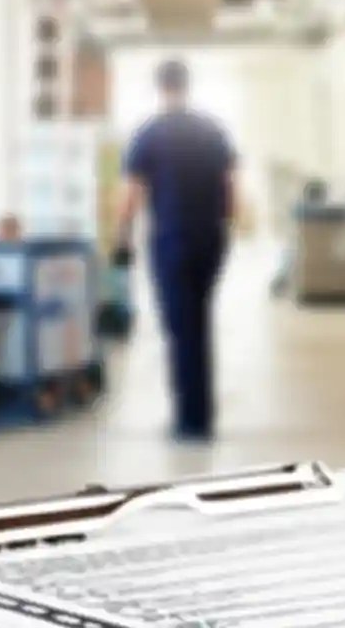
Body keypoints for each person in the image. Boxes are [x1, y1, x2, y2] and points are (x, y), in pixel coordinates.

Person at [116, 59, 237, 441]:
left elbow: (132, 193)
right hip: (210, 238)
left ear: (160, 87)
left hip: (171, 238)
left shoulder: (149, 133)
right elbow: (230, 186)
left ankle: (190, 421)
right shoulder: (212, 130)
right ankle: (202, 414)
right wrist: (225, 227)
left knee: (180, 327)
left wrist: (122, 236)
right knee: (199, 322)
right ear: (187, 85)